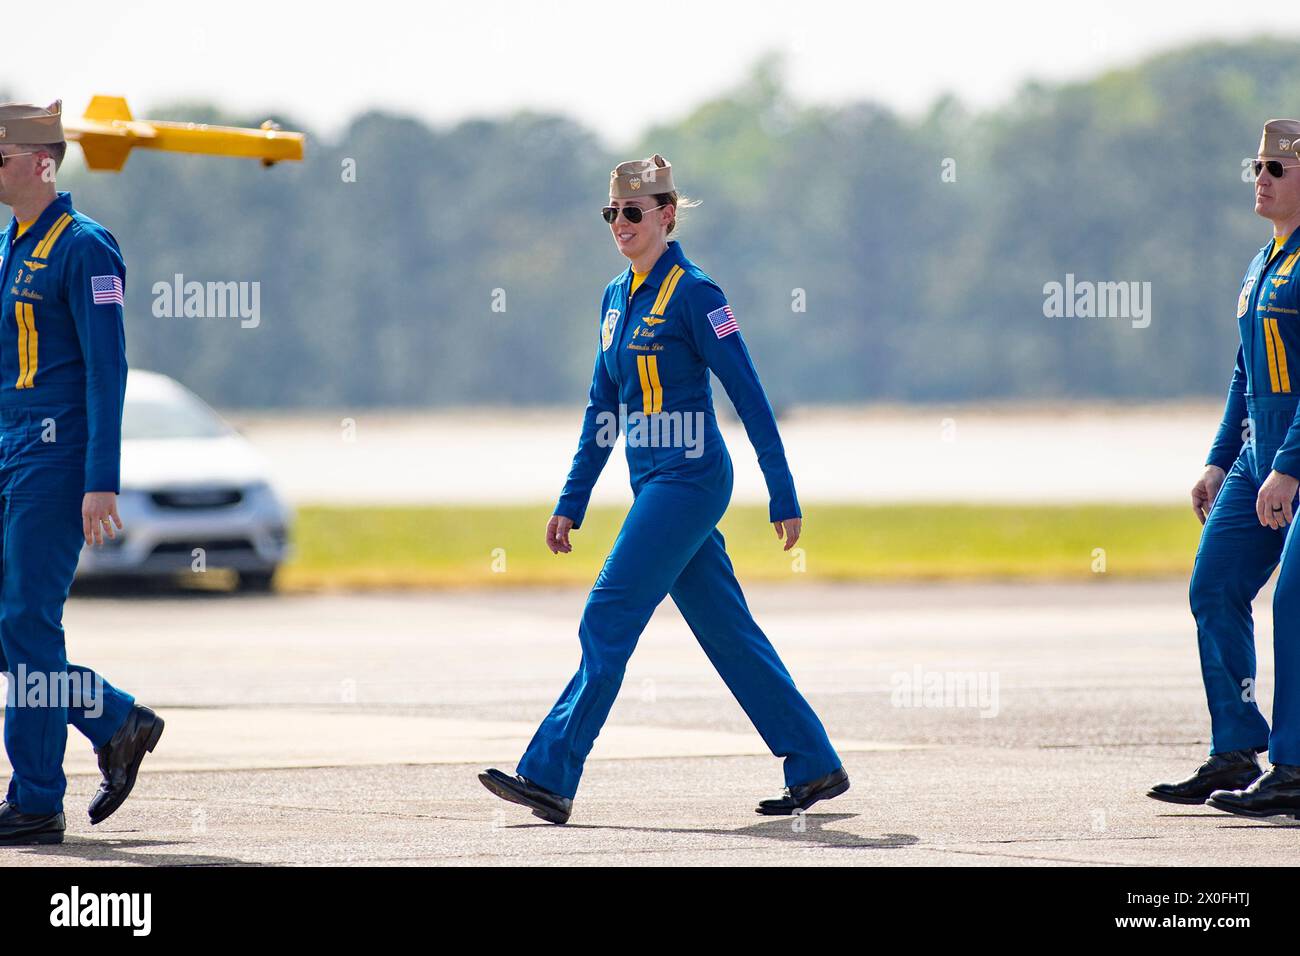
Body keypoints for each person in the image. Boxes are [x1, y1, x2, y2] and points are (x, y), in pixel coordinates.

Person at [479, 154, 846, 824]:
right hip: (650, 480)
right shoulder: (615, 298)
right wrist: (572, 499)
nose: (620, 223)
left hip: (692, 479)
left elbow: (750, 396)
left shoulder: (697, 294)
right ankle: (814, 762)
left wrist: (782, 490)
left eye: (633, 212)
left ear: (666, 215)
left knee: (608, 612)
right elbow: (602, 409)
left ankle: (550, 775)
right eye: (611, 213)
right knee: (728, 631)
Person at [0, 101, 163, 846]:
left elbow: (109, 370)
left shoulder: (86, 247)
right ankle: (112, 717)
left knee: (27, 621)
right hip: (10, 453)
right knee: (12, 628)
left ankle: (35, 799)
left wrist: (102, 477)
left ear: (41, 162)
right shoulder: (13, 243)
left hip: (55, 461)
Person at [1149, 119, 1300, 818]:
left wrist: (1290, 466)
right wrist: (1219, 459)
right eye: (1257, 167)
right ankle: (1236, 749)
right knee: (1213, 586)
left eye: (1276, 168)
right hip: (1256, 458)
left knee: (1295, 605)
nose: (1261, 180)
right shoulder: (1261, 261)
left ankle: (1295, 767)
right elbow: (1247, 372)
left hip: (1294, 460)